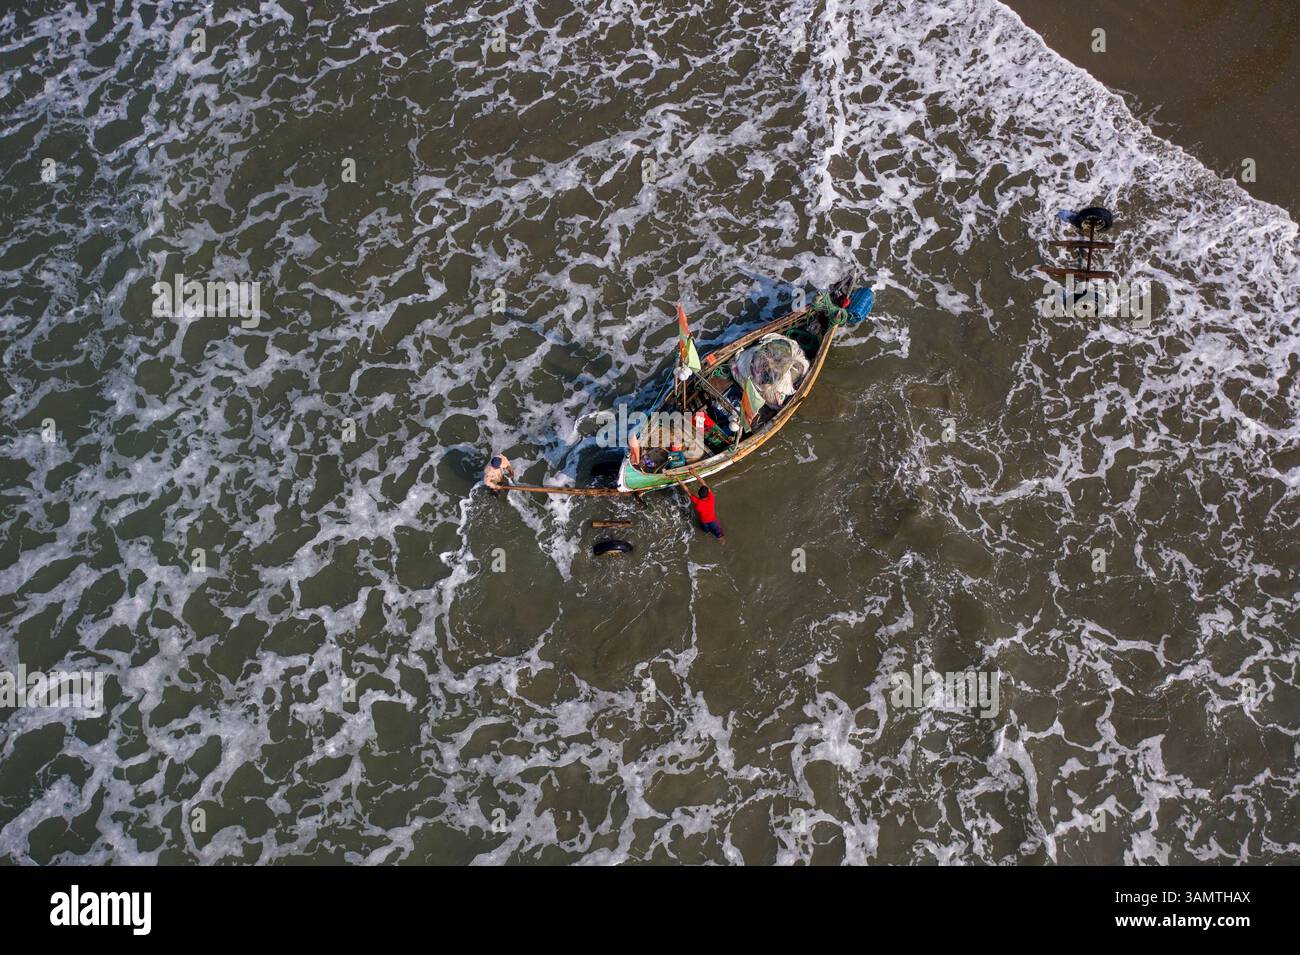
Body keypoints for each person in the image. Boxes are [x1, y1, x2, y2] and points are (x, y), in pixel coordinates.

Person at [676, 470, 723, 540]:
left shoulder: (697, 501)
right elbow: (704, 484)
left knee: (705, 531)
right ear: (707, 494)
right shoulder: (711, 499)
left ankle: (706, 533)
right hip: (713, 521)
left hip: (703, 522)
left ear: (699, 494)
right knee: (719, 535)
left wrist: (677, 479)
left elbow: (686, 490)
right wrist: (694, 473)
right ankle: (722, 542)